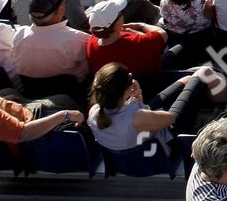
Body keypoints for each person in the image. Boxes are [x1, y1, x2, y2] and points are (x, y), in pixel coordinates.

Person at [87, 62, 220, 153]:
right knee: (199, 77)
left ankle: (189, 80)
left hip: (135, 145)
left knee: (184, 81)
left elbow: (130, 116)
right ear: (125, 90)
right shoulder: (137, 116)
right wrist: (138, 95)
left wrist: (136, 102)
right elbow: (172, 118)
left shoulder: (94, 112)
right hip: (159, 150)